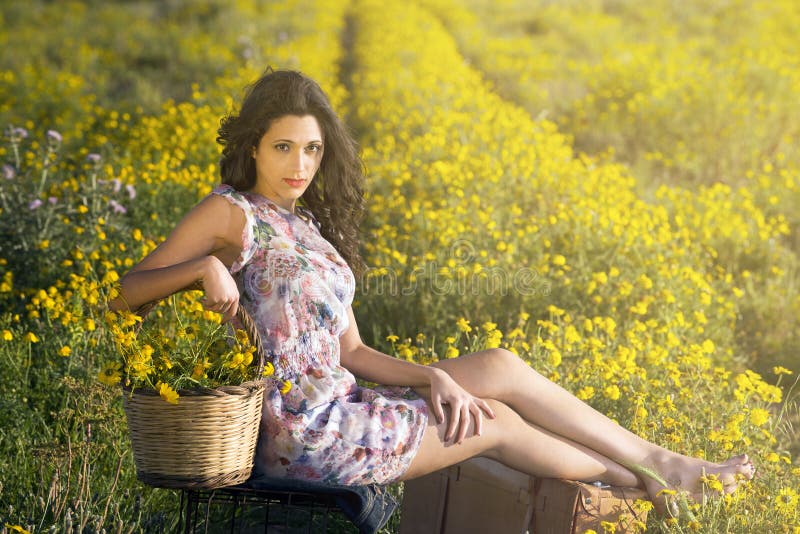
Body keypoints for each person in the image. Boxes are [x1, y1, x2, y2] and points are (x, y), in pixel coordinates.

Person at [110, 68, 754, 515]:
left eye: (311, 149)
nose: (299, 166)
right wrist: (200, 271)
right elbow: (122, 294)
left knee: (497, 369)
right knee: (494, 421)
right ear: (253, 147)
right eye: (283, 147)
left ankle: (662, 462)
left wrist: (431, 378)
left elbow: (354, 352)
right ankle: (646, 483)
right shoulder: (231, 213)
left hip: (344, 394)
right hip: (301, 434)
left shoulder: (305, 226)